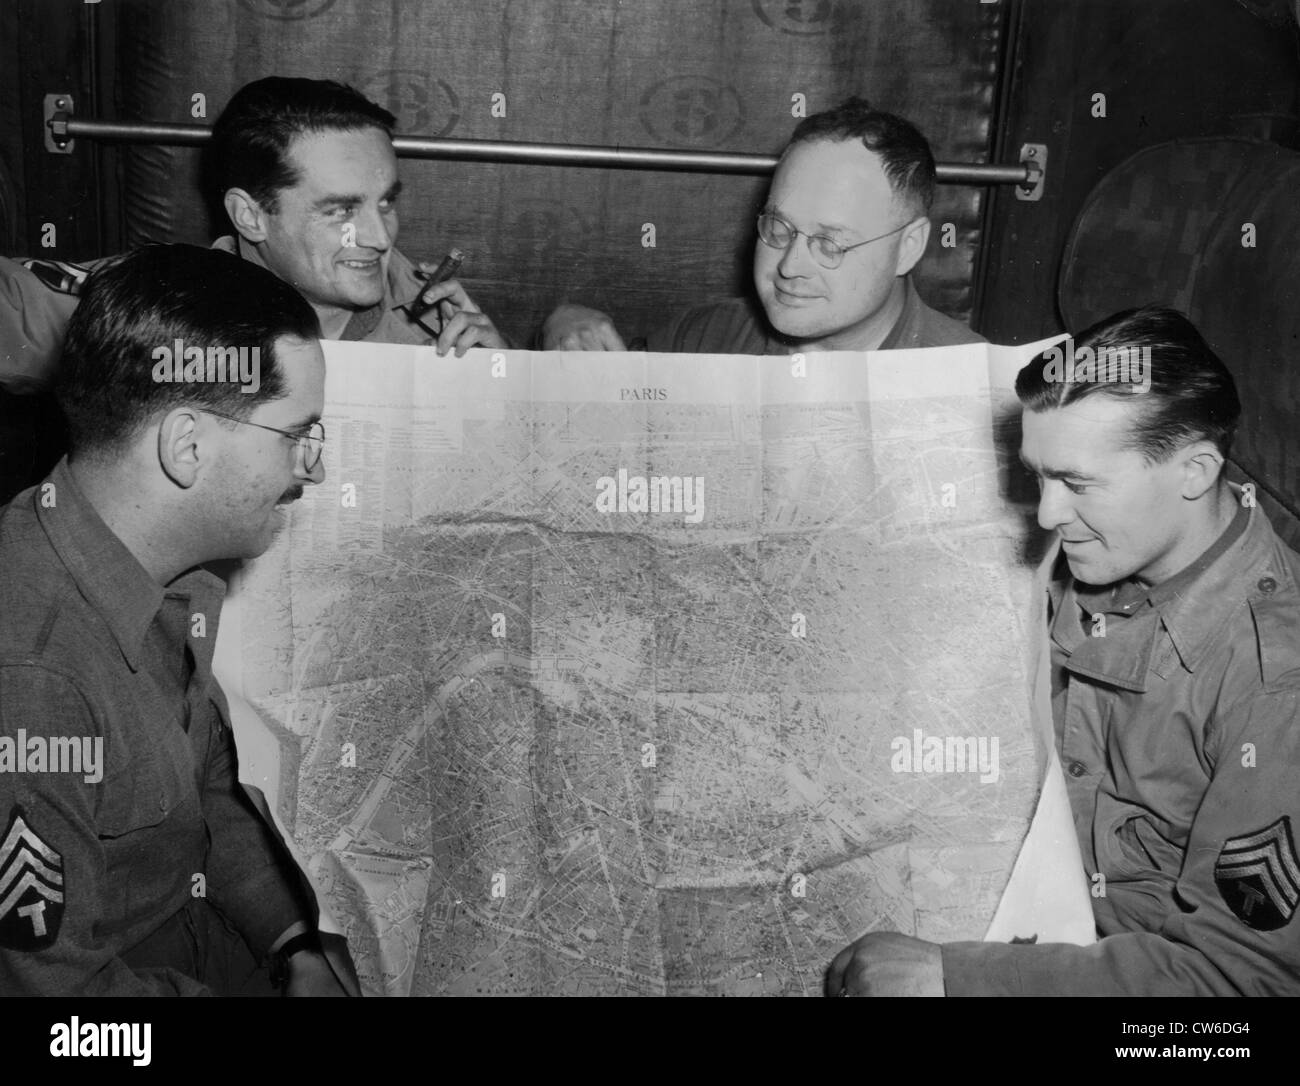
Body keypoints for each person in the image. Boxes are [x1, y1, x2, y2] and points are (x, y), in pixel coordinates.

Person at [828, 306, 1300, 996]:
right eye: (1038, 477)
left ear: (1195, 470)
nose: (1046, 515)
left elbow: (1236, 983)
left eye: (1077, 484)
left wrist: (952, 978)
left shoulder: (1275, 687)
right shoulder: (1120, 548)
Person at [0, 244, 356, 995]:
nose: (313, 470)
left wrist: (293, 942)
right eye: (296, 436)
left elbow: (209, 800)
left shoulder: (171, 579)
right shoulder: (33, 680)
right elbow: (62, 1017)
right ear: (187, 446)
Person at [0, 76, 506, 393]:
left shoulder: (436, 324)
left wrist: (511, 383)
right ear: (250, 216)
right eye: (341, 210)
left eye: (387, 201)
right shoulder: (160, 304)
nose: (379, 237)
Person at [541, 98, 983, 354]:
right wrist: (545, 341)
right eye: (778, 228)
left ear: (909, 247)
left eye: (830, 243)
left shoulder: (978, 393)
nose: (790, 266)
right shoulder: (706, 339)